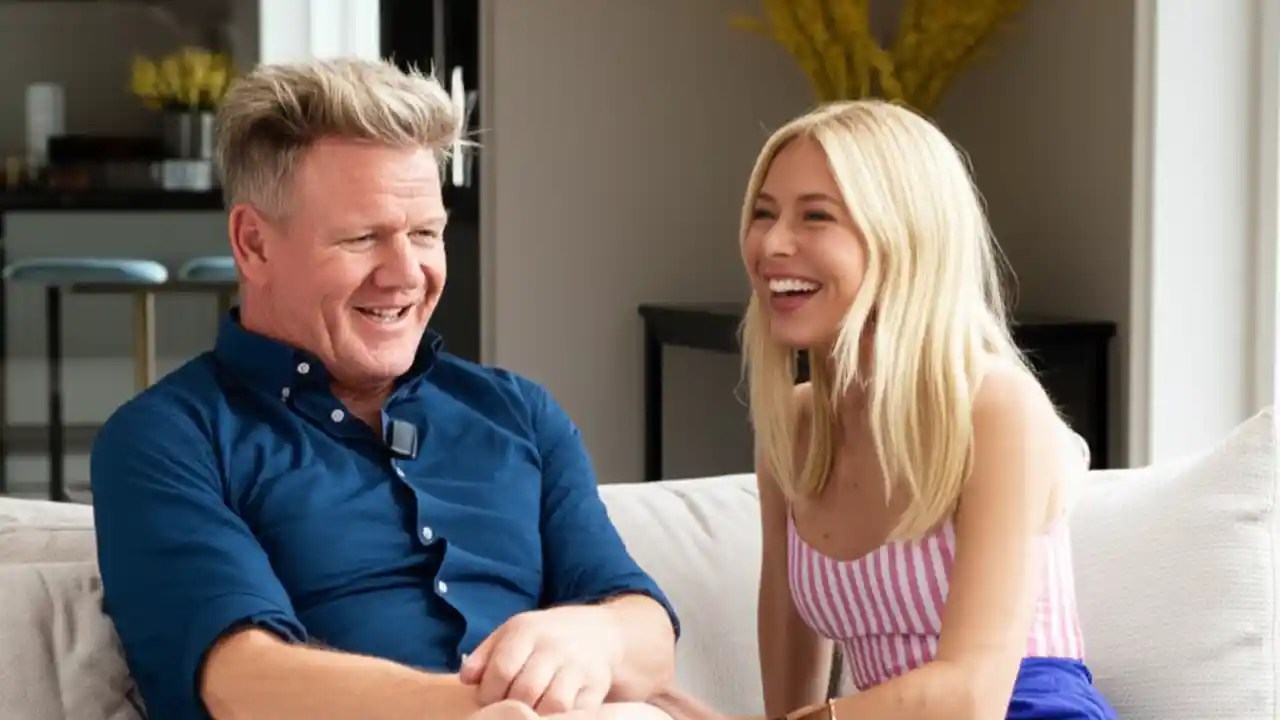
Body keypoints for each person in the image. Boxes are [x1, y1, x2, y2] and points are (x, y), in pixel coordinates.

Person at [90, 57, 679, 720]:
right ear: (253, 243)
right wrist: (484, 708)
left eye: (426, 233)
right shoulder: (168, 440)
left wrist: (593, 637)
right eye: (364, 237)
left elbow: (646, 631)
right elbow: (243, 680)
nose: (406, 274)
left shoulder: (519, 414)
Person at [648, 101, 1118, 720]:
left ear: (905, 237)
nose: (772, 243)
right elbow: (789, 690)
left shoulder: (995, 408)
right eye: (764, 214)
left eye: (816, 217)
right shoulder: (793, 429)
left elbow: (973, 697)